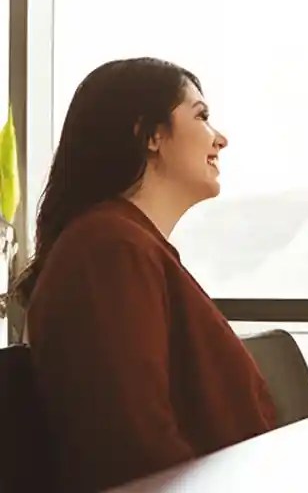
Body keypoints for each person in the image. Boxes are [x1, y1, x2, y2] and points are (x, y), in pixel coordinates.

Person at [15, 58, 275, 492]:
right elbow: (135, 447)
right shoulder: (109, 251)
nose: (221, 139)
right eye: (202, 116)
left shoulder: (125, 245)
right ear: (150, 135)